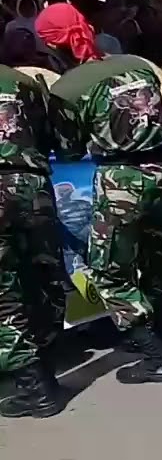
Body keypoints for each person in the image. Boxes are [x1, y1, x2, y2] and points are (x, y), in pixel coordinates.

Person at [39, 4, 162, 385]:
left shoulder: (67, 88)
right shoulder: (136, 65)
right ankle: (161, 334)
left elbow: (69, 150)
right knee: (158, 258)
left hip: (123, 180)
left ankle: (155, 356)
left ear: (55, 46)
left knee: (108, 271)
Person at [0, 61, 70, 417]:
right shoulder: (22, 81)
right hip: (31, 185)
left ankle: (35, 385)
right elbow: (48, 134)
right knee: (44, 275)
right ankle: (48, 366)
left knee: (4, 295)